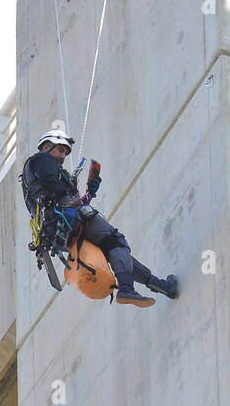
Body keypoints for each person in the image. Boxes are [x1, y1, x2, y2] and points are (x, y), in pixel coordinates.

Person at [21, 124, 178, 307]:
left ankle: (160, 286)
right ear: (46, 146)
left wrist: (89, 193)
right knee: (115, 241)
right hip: (68, 219)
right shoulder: (41, 159)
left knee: (111, 252)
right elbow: (57, 190)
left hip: (57, 229)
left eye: (65, 153)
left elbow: (59, 194)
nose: (63, 156)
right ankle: (127, 289)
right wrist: (80, 195)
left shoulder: (33, 176)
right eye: (61, 150)